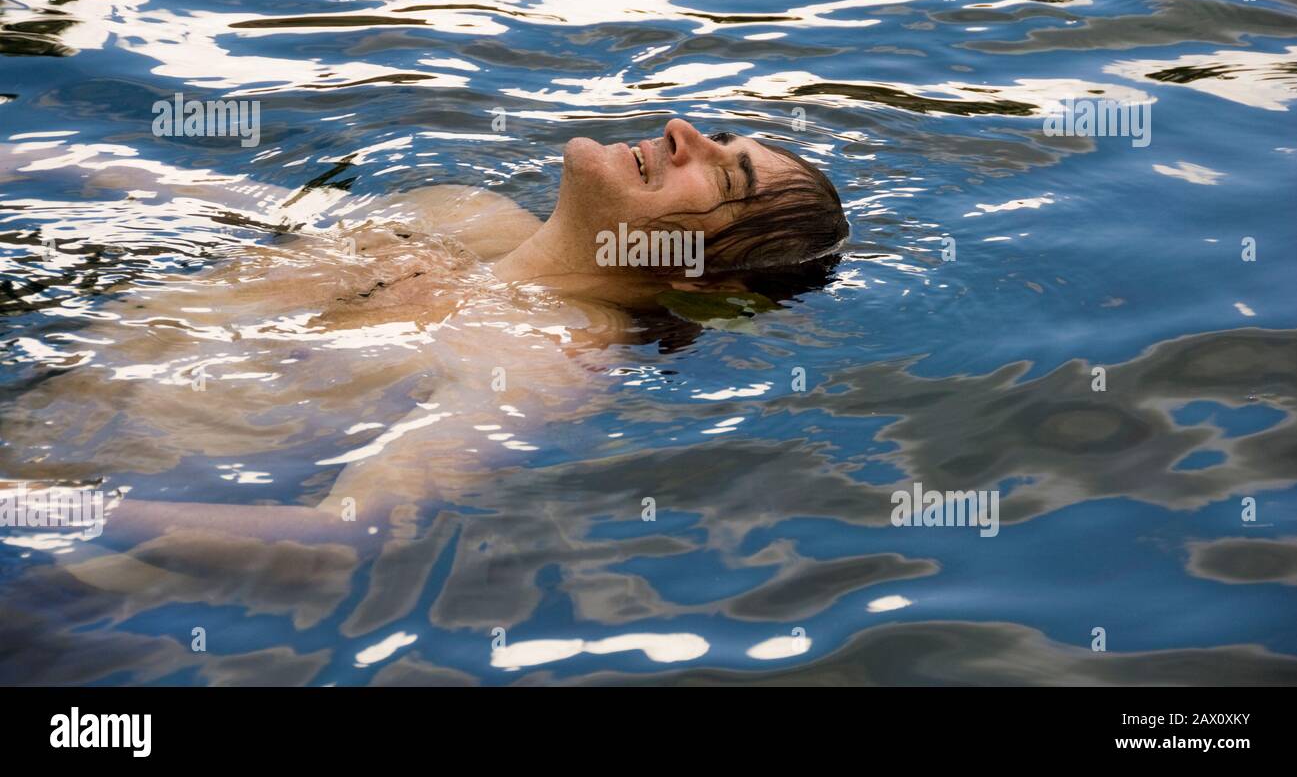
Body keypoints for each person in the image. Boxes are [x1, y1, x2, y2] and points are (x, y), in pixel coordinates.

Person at [3, 118, 848, 551]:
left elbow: (347, 534)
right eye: (722, 136)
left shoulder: (556, 354)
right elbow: (214, 204)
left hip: (54, 559)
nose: (682, 133)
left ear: (700, 277)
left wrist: (36, 513)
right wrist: (40, 158)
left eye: (722, 171)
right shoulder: (455, 211)